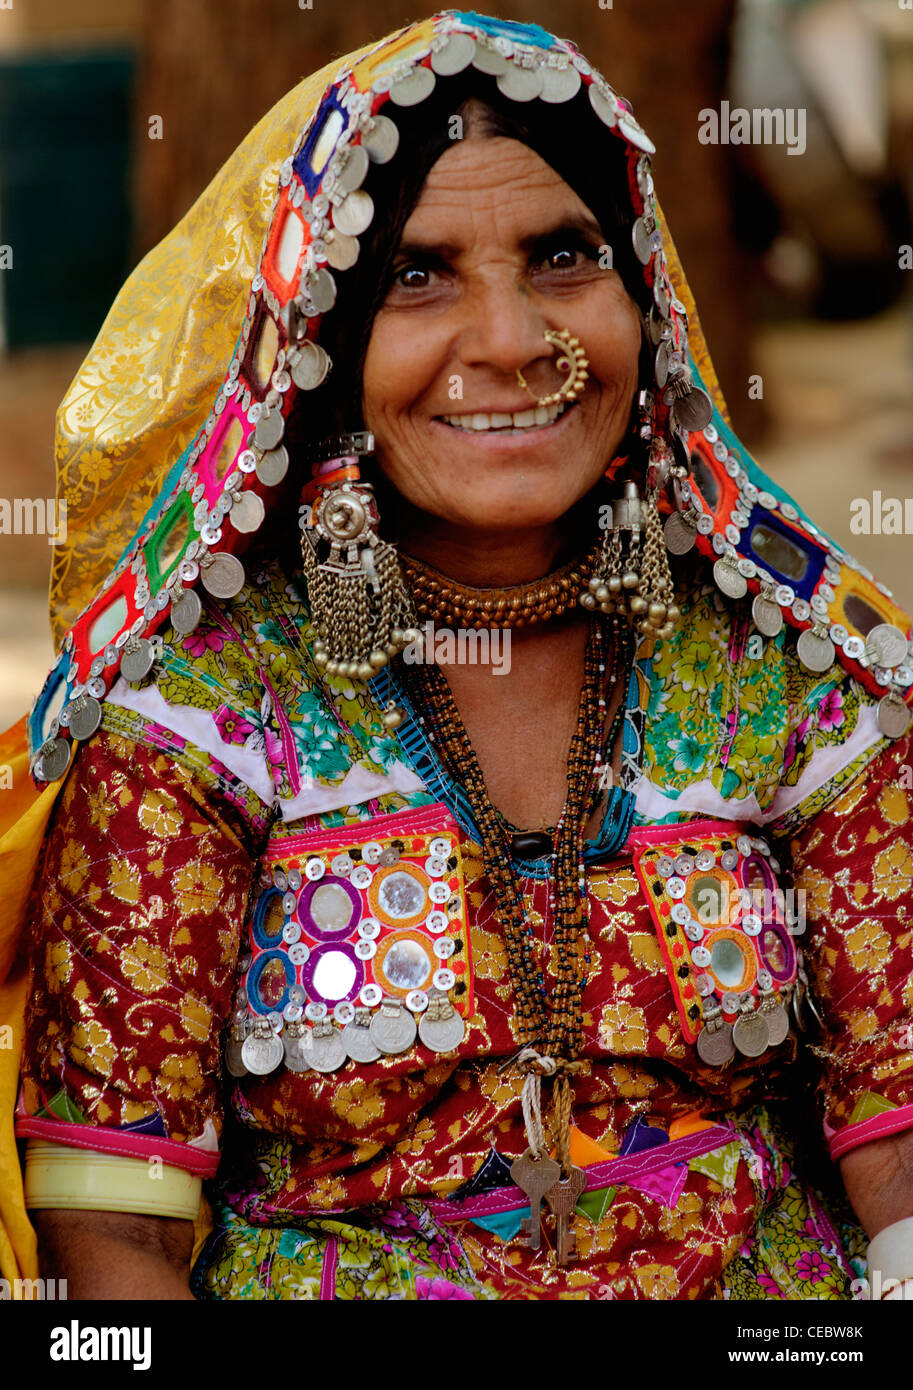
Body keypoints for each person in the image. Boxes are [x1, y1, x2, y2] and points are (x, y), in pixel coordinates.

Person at [1, 10, 912, 1301]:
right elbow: (119, 1231)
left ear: (640, 296)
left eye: (561, 257)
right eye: (417, 276)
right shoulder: (202, 708)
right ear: (318, 340)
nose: (507, 339)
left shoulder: (784, 671)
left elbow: (900, 1133)